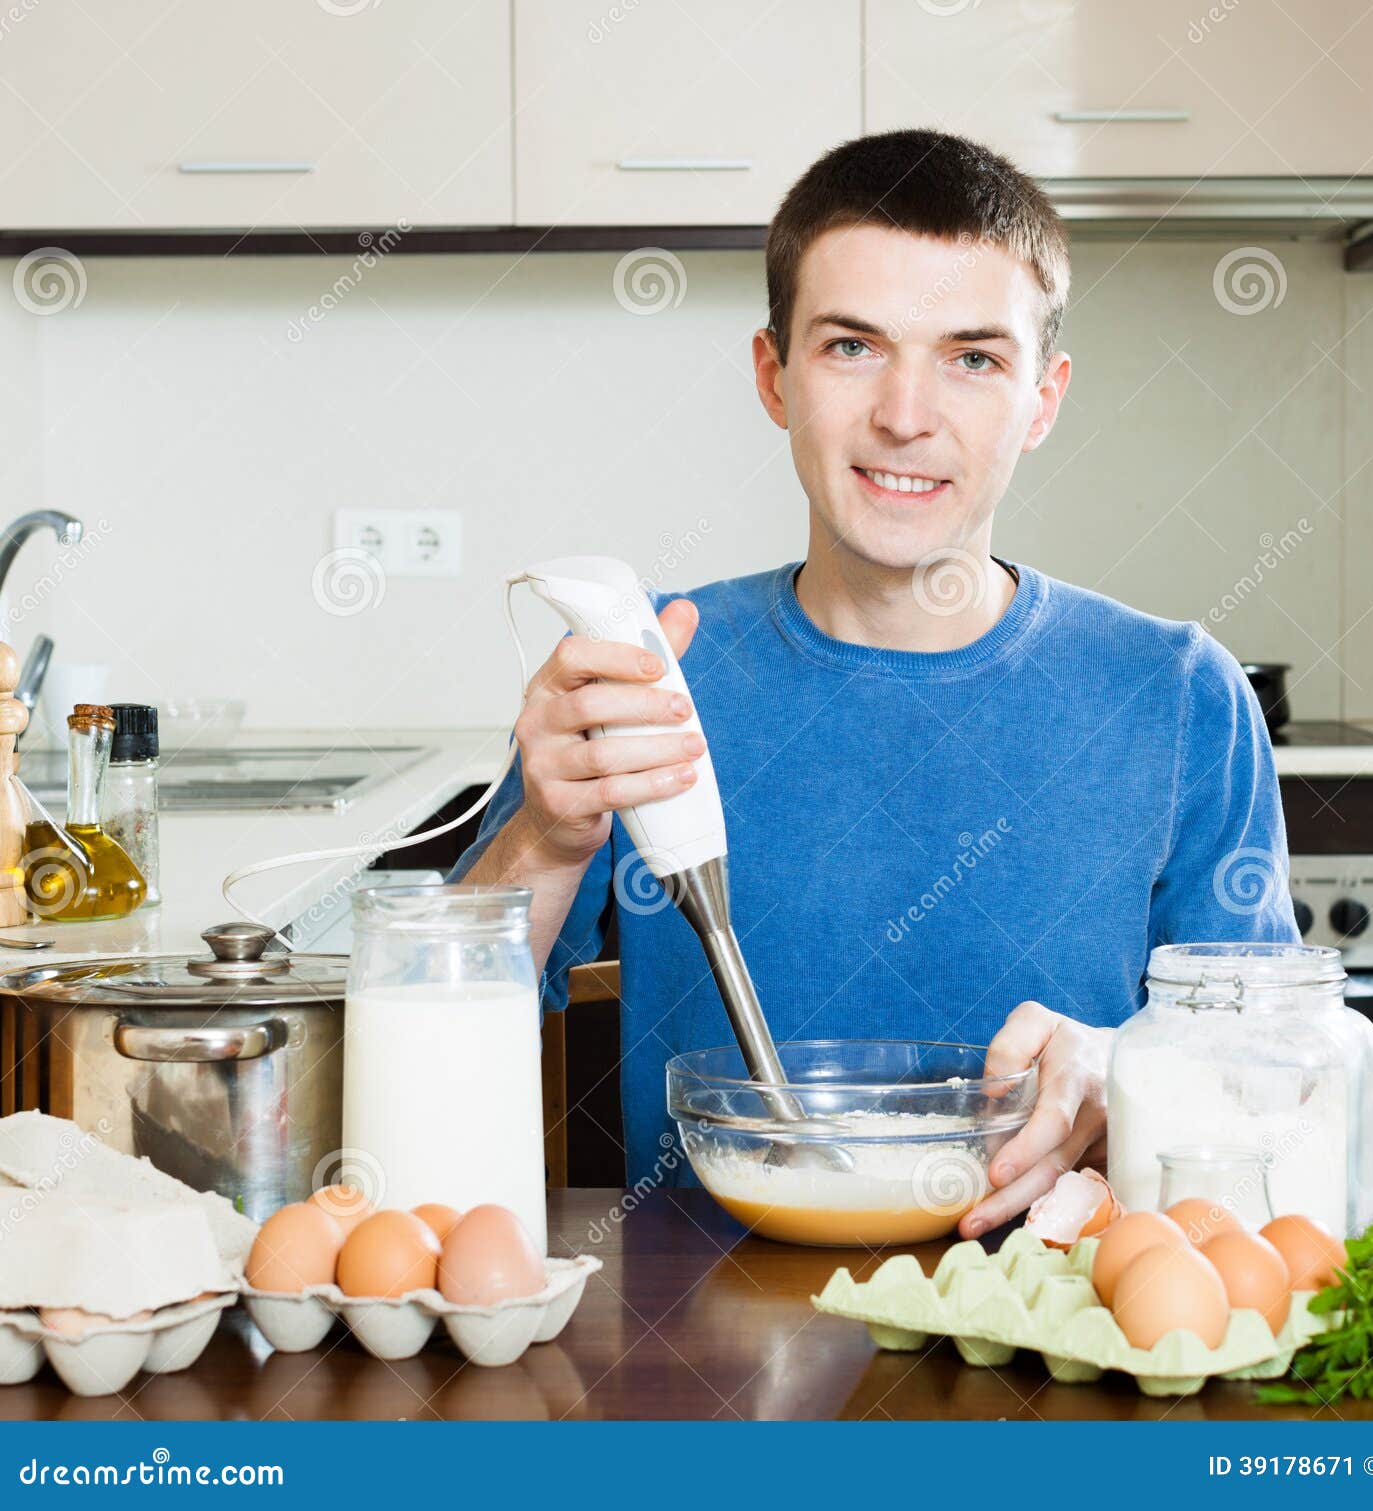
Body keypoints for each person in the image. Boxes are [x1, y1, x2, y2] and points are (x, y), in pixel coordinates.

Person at [451, 128, 1298, 1238]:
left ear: (1042, 399)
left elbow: (1272, 1073)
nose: (907, 413)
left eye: (974, 357)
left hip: (1063, 1344)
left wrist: (1128, 1070)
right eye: (852, 346)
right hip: (705, 1346)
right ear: (774, 375)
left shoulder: (1177, 692)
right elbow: (438, 1028)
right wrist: (543, 842)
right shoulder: (651, 670)